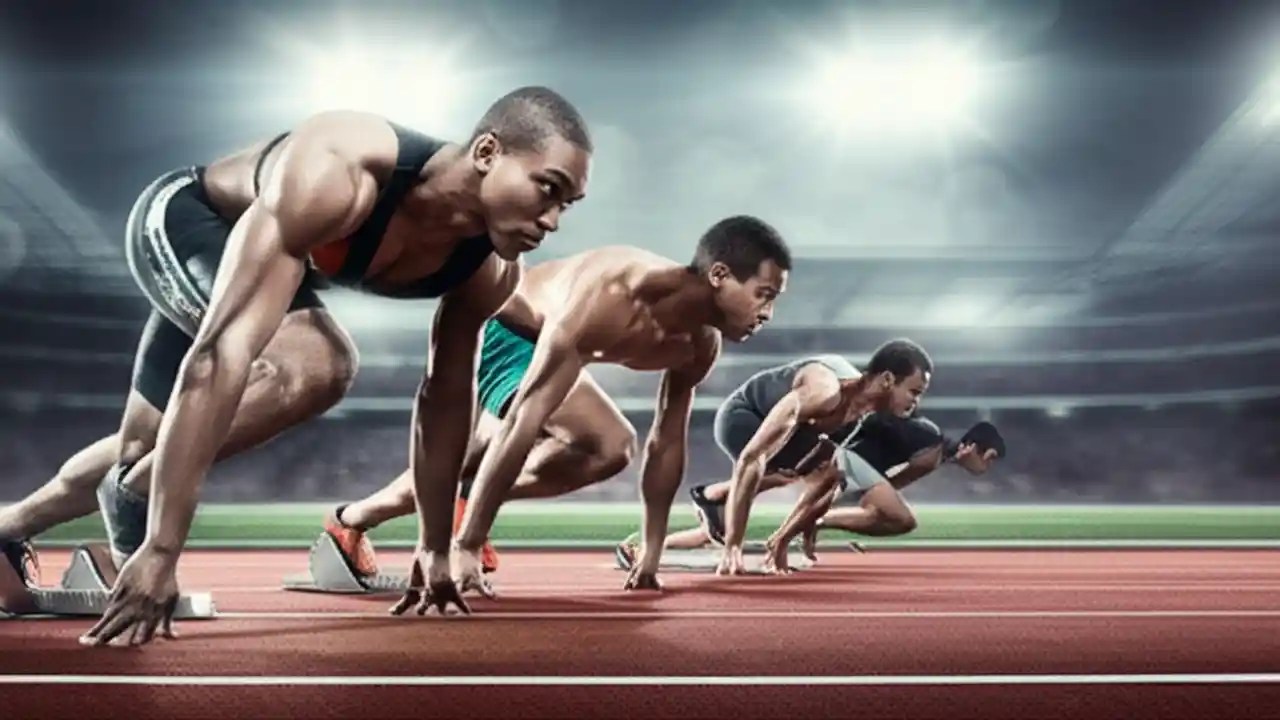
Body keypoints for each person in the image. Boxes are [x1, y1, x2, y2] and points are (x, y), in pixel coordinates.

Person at [0, 86, 593, 644]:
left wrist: (437, 548)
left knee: (143, 446)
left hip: (256, 278)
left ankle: (10, 527)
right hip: (190, 224)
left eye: (567, 204)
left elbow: (444, 401)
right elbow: (222, 353)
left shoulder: (488, 272)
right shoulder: (343, 167)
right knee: (317, 363)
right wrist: (160, 547)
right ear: (487, 152)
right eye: (548, 189)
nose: (552, 221)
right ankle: (133, 492)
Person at [371, 217, 793, 613]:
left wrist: (651, 554)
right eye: (764, 295)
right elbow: (524, 418)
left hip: (551, 345)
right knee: (498, 452)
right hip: (508, 329)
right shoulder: (613, 296)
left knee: (605, 449)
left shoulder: (699, 345)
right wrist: (468, 544)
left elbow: (665, 443)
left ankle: (357, 520)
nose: (768, 315)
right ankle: (436, 518)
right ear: (719, 275)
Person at [615, 413, 1005, 572]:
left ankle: (641, 549)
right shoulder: (931, 440)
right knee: (902, 520)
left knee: (720, 530)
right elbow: (870, 427)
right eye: (988, 459)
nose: (985, 469)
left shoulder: (933, 453)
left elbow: (888, 485)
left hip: (844, 466)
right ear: (972, 448)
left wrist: (849, 512)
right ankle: (723, 499)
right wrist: (827, 499)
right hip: (837, 457)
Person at [709, 340, 935, 576]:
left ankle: (770, 539)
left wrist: (785, 537)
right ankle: (713, 500)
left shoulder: (856, 418)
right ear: (887, 379)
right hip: (742, 416)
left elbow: (826, 480)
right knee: (767, 464)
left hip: (795, 429)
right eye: (914, 392)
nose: (916, 402)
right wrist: (733, 545)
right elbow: (751, 457)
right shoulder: (825, 392)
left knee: (832, 471)